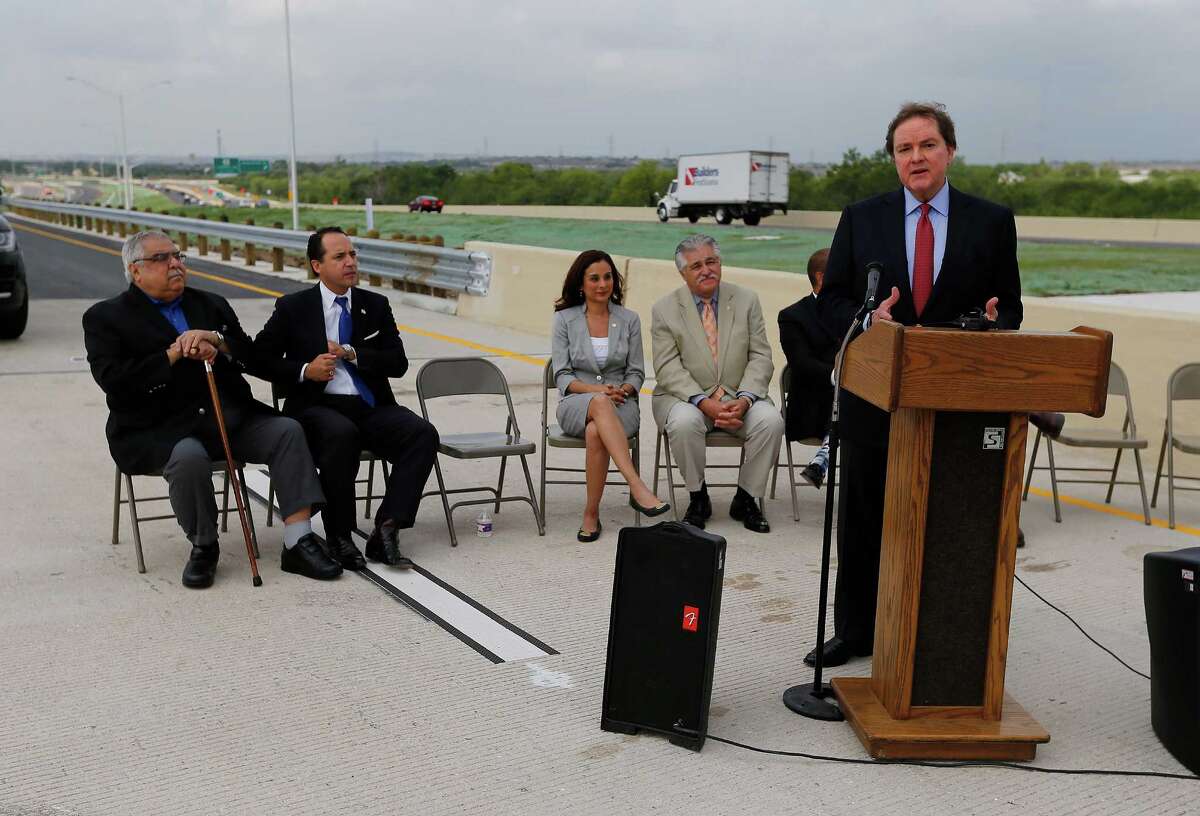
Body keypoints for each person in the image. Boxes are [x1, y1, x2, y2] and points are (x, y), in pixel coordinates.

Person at [808, 102, 1024, 668]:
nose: (916, 157)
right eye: (904, 149)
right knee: (862, 519)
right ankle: (855, 632)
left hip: (954, 403)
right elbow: (829, 301)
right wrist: (867, 320)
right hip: (874, 398)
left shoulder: (992, 220)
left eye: (927, 145)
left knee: (950, 522)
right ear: (894, 161)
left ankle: (942, 632)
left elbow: (1011, 309)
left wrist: (998, 319)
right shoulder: (862, 217)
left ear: (949, 151)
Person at [83, 230, 337, 588]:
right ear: (135, 271)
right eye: (161, 259)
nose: (174, 264)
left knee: (287, 431)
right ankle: (204, 546)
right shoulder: (105, 317)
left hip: (229, 417)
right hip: (159, 428)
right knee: (188, 458)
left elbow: (251, 357)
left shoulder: (211, 304)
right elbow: (115, 381)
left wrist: (219, 344)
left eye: (177, 256)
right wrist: (172, 355)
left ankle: (298, 540)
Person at [254, 227, 439, 570]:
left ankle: (387, 529)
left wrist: (353, 353)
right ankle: (339, 536)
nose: (350, 262)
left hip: (369, 406)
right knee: (341, 434)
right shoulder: (294, 307)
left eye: (352, 255)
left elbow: (397, 364)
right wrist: (304, 370)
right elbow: (258, 359)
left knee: (422, 434)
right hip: (317, 408)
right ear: (317, 266)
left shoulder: (375, 305)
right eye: (339, 257)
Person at [651, 234, 785, 532]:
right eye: (696, 265)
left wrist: (747, 398)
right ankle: (698, 497)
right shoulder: (665, 309)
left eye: (711, 261)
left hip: (740, 396)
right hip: (686, 399)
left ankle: (746, 498)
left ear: (720, 263)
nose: (706, 270)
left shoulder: (747, 299)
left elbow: (761, 355)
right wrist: (704, 402)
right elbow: (667, 368)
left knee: (771, 421)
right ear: (682, 272)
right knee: (684, 423)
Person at [550, 250, 671, 541]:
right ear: (581, 284)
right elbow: (562, 375)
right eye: (594, 278)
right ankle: (637, 487)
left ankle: (591, 514)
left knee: (596, 433)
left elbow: (637, 373)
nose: (602, 284)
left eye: (607, 277)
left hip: (622, 404)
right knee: (599, 404)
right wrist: (598, 391)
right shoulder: (564, 320)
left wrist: (624, 390)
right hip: (575, 404)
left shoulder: (629, 319)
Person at [778, 248, 840, 489]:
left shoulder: (856, 313)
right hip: (811, 407)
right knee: (851, 400)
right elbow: (801, 364)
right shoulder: (792, 316)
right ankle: (823, 458)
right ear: (822, 277)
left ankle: (821, 461)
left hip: (848, 404)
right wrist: (839, 376)